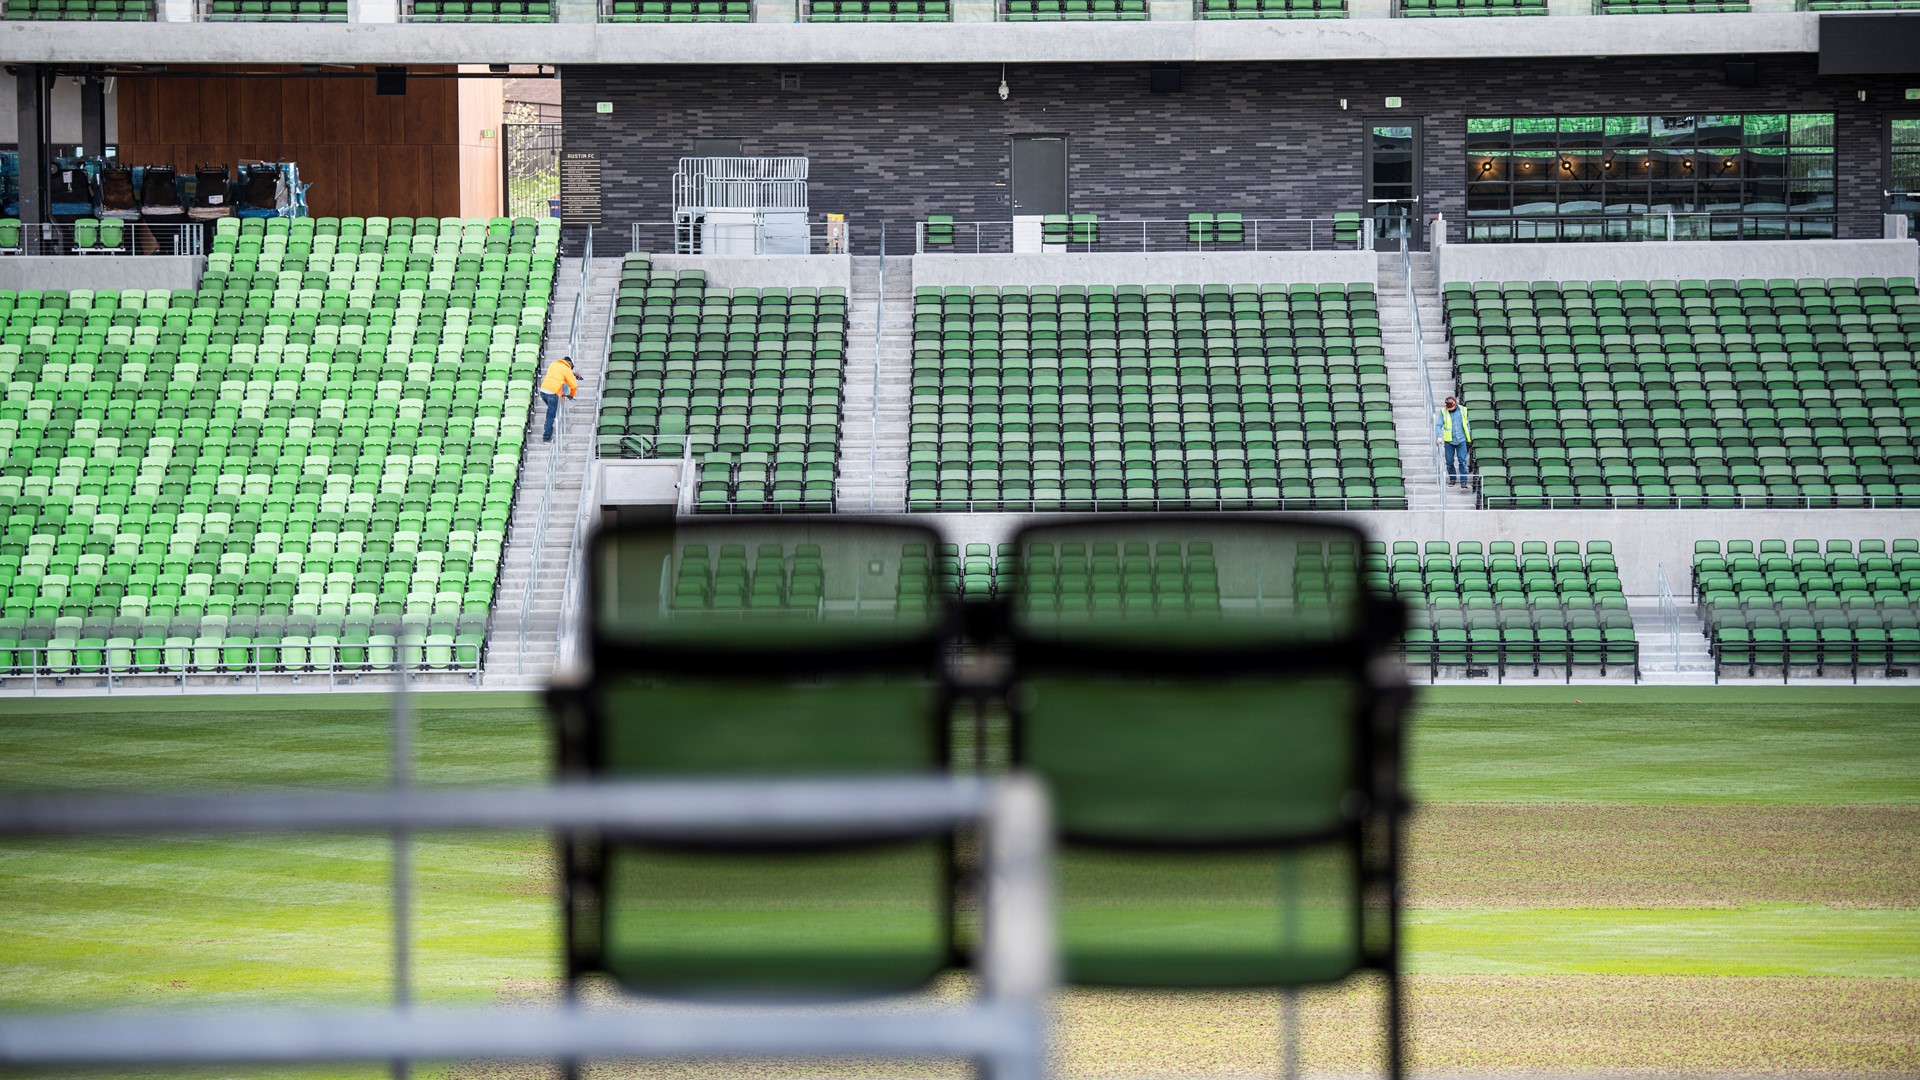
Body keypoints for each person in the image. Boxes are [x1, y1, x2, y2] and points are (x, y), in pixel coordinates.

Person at [537, 356, 578, 443]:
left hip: (543, 391)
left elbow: (558, 373)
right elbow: (573, 386)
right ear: (570, 365)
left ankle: (547, 428)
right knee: (550, 416)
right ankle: (546, 438)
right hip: (552, 393)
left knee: (550, 412)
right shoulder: (567, 370)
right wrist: (571, 395)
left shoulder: (553, 364)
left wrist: (572, 374)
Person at [1435, 395, 1472, 487]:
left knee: (1462, 461)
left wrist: (1469, 438)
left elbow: (1467, 424)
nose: (1450, 409)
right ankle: (1452, 479)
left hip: (1461, 440)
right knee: (1449, 462)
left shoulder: (1463, 410)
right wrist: (1439, 436)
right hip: (1449, 441)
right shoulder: (1444, 412)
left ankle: (1464, 483)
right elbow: (1438, 425)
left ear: (1455, 404)